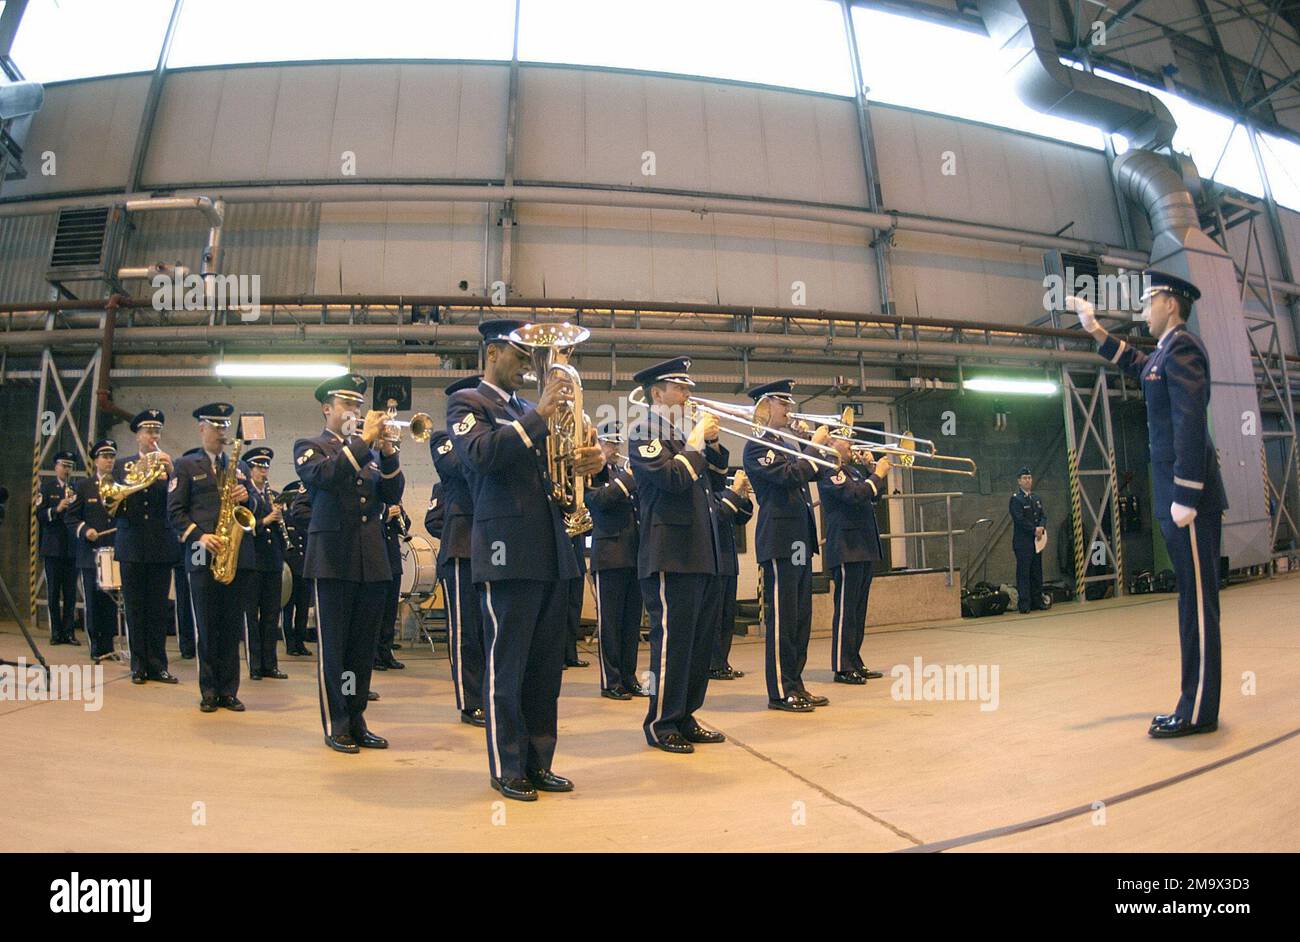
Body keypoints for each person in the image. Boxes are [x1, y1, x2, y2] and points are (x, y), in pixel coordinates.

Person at [447, 319, 604, 800]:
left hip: (553, 550)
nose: (530, 366)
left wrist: (590, 464)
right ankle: (507, 765)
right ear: (493, 352)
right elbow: (481, 457)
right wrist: (538, 416)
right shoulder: (467, 404)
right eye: (522, 355)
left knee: (543, 670)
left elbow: (557, 469)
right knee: (507, 665)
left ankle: (539, 761)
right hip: (506, 553)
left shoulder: (526, 408)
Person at [1069, 272, 1226, 739]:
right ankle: (1191, 702)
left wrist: (1186, 493)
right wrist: (1095, 331)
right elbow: (1139, 365)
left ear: (1170, 305)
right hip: (1177, 496)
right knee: (1188, 602)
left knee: (1197, 604)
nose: (1143, 309)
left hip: (1188, 499)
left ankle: (1197, 710)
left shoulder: (1184, 348)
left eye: (1148, 300)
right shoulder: (1165, 352)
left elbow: (1190, 420)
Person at [295, 374, 404, 753]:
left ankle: (357, 719)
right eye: (347, 405)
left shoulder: (371, 453)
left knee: (361, 649)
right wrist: (366, 443)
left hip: (370, 560)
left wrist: (390, 455)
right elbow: (325, 477)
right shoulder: (311, 447)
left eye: (358, 405)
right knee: (335, 649)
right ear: (328, 409)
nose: (355, 412)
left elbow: (391, 494)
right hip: (333, 560)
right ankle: (336, 722)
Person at [626, 357, 729, 753]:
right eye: (680, 388)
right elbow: (671, 479)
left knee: (698, 642)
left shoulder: (683, 434)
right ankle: (661, 722)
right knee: (671, 643)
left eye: (688, 388)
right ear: (657, 393)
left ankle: (685, 714)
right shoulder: (643, 431)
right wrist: (697, 442)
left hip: (699, 552)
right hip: (670, 553)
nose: (688, 395)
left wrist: (713, 443)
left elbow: (714, 478)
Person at [742, 379, 833, 713]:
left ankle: (796, 683)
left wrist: (823, 446)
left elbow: (822, 471)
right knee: (782, 621)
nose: (789, 409)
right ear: (766, 405)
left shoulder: (790, 442)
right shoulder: (757, 445)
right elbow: (790, 476)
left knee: (800, 620)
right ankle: (781, 691)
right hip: (779, 540)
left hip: (799, 540)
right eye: (784, 403)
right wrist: (813, 446)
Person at [168, 403, 255, 713]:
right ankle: (209, 690)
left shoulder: (240, 467)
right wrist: (201, 537)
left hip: (235, 557)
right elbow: (175, 513)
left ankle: (229, 690)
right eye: (215, 426)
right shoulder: (186, 465)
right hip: (203, 554)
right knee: (207, 626)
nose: (221, 432)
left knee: (232, 628)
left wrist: (249, 498)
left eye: (224, 426)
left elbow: (252, 508)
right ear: (201, 428)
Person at [429, 374, 485, 727]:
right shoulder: (443, 439)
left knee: (491, 631)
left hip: (494, 546)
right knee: (466, 631)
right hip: (462, 546)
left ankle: (490, 695)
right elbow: (458, 466)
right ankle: (470, 701)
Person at [113, 409, 181, 684]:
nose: (153, 436)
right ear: (138, 435)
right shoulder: (123, 465)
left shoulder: (169, 466)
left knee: (157, 608)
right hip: (131, 543)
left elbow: (178, 503)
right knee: (135, 607)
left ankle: (158, 664)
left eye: (157, 431)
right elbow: (113, 503)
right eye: (148, 431)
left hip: (160, 544)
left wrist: (170, 475)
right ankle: (138, 665)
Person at [819, 437, 891, 683]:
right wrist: (876, 475)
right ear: (831, 445)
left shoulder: (851, 471)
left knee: (858, 610)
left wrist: (873, 472)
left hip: (863, 546)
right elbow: (854, 495)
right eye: (845, 441)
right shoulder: (829, 470)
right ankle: (842, 665)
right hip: (846, 548)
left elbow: (873, 497)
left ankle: (854, 660)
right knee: (846, 609)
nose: (851, 446)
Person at [585, 420, 646, 700]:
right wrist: (629, 479)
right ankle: (611, 680)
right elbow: (598, 502)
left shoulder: (622, 472)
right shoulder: (592, 473)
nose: (614, 448)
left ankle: (628, 675)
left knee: (631, 622)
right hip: (609, 555)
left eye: (616, 443)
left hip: (633, 554)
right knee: (610, 623)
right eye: (610, 443)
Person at [66, 440, 119, 661]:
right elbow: (70, 517)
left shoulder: (120, 484)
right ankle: (96, 646)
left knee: (111, 601)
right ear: (95, 460)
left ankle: (109, 645)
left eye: (111, 456)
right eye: (104, 456)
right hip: (91, 554)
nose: (109, 460)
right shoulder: (84, 486)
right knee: (94, 600)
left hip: (114, 551)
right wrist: (85, 530)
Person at [242, 447, 288, 680]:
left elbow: (280, 530)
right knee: (251, 615)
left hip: (272, 561)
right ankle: (255, 665)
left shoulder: (274, 495)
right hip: (253, 560)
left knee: (271, 615)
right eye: (259, 467)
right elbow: (241, 526)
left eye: (266, 467)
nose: (263, 471)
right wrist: (265, 520)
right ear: (250, 470)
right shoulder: (245, 495)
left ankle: (270, 663)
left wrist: (281, 516)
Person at [708, 470, 754, 681]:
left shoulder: (725, 491)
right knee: (714, 617)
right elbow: (720, 515)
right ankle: (712, 663)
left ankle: (722, 661)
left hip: (728, 561)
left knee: (727, 617)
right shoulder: (709, 492)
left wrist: (743, 496)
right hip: (713, 561)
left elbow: (741, 519)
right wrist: (734, 491)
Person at [37, 451, 80, 646]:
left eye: (70, 466)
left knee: (70, 593)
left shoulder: (76, 488)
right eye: (63, 465)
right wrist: (56, 509)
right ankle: (55, 632)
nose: (66, 469)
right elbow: (39, 514)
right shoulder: (46, 489)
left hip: (71, 548)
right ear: (56, 467)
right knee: (53, 592)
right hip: (52, 548)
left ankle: (69, 632)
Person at [279, 480, 313, 656]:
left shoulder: (307, 519)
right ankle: (290, 644)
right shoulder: (284, 520)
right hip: (290, 571)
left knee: (303, 609)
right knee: (288, 609)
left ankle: (300, 642)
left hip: (304, 569)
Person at [374, 501, 409, 671]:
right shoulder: (375, 500)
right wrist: (385, 516)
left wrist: (400, 513)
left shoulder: (393, 500)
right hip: (378, 560)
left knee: (390, 612)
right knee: (376, 612)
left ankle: (386, 652)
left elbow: (406, 525)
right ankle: (374, 655)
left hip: (393, 562)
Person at [1009, 468, 1047, 614]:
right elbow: (1019, 519)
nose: (1027, 480)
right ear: (1019, 481)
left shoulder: (1036, 498)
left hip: (1037, 542)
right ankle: (1025, 604)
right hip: (1023, 543)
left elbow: (1043, 516)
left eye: (1029, 478)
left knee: (1036, 572)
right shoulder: (1016, 499)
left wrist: (1041, 527)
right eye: (1024, 478)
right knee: (1024, 573)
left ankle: (1037, 601)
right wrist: (1034, 530)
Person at [563, 534, 591, 670]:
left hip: (577, 561)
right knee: (559, 612)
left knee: (574, 610)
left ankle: (571, 655)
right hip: (561, 559)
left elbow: (588, 531)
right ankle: (557, 657)